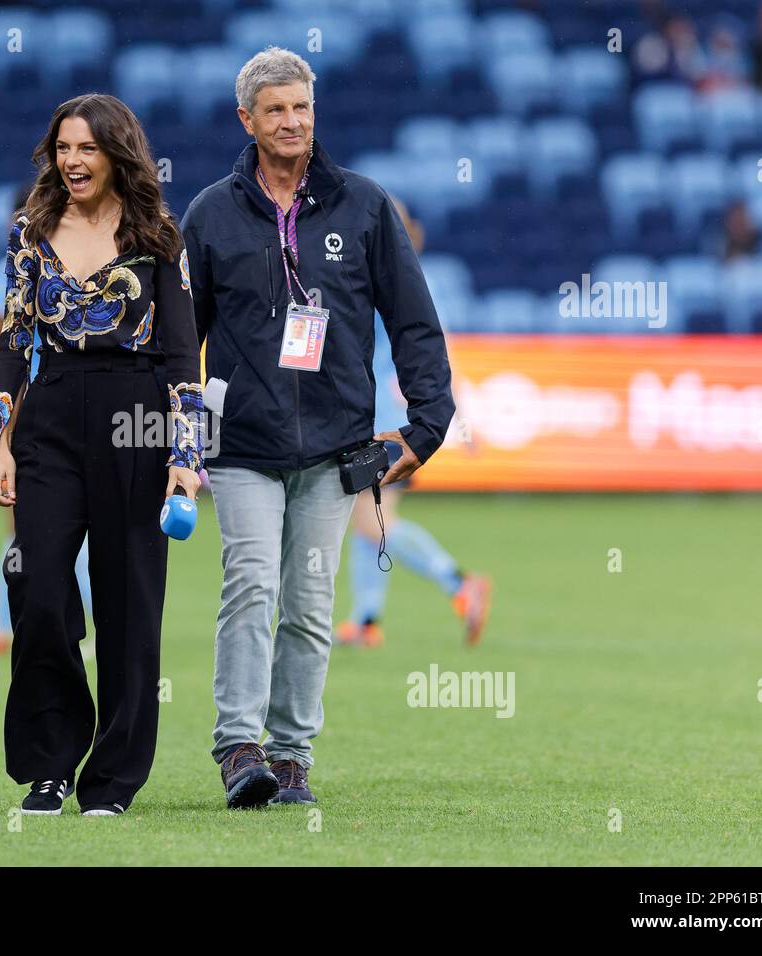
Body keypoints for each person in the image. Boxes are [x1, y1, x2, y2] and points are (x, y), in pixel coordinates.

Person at [182, 47, 454, 809]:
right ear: (248, 119)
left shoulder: (368, 207)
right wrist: (181, 440)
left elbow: (415, 325)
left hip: (337, 449)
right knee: (251, 582)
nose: (292, 121)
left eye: (301, 107)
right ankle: (239, 748)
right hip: (241, 447)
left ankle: (291, 756)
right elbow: (180, 342)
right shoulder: (209, 214)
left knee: (307, 600)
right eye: (276, 109)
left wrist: (425, 428)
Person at [0, 93, 203, 817]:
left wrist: (185, 454)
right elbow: (15, 341)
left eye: (86, 148)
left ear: (117, 154)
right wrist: (1, 446)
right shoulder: (28, 231)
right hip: (51, 419)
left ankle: (111, 781)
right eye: (62, 148)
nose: (72, 161)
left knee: (130, 606)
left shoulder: (157, 234)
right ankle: (50, 764)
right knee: (40, 587)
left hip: (137, 419)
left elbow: (181, 356)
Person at [0, 184, 95, 659]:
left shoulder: (19, 261)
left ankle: (8, 628)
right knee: (68, 522)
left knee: (26, 524)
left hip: (35, 413)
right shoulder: (86, 256)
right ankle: (14, 625)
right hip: (84, 407)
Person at [336, 198, 491, 650]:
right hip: (378, 416)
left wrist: (456, 412)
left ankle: (459, 583)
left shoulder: (388, 279)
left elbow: (435, 354)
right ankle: (366, 619)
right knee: (374, 518)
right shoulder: (391, 277)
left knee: (368, 521)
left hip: (384, 422)